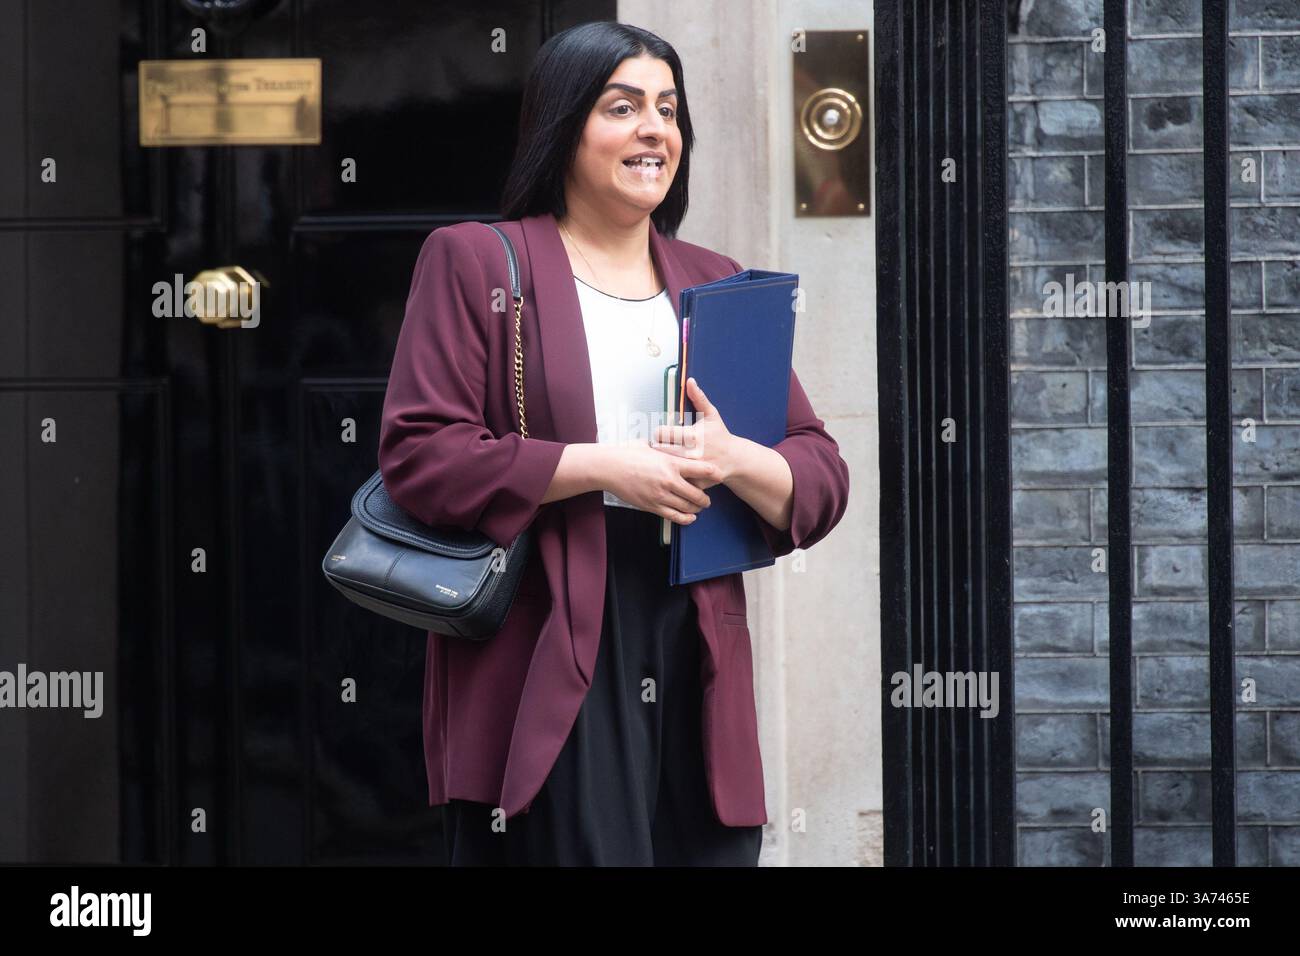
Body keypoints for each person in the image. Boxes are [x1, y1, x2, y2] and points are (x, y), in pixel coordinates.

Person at [377, 21, 850, 866]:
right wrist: (602, 466)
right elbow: (422, 456)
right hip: (552, 630)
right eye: (622, 106)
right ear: (562, 127)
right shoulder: (481, 265)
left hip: (694, 631)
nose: (654, 130)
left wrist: (734, 458)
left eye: (668, 109)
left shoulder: (717, 281)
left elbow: (819, 473)